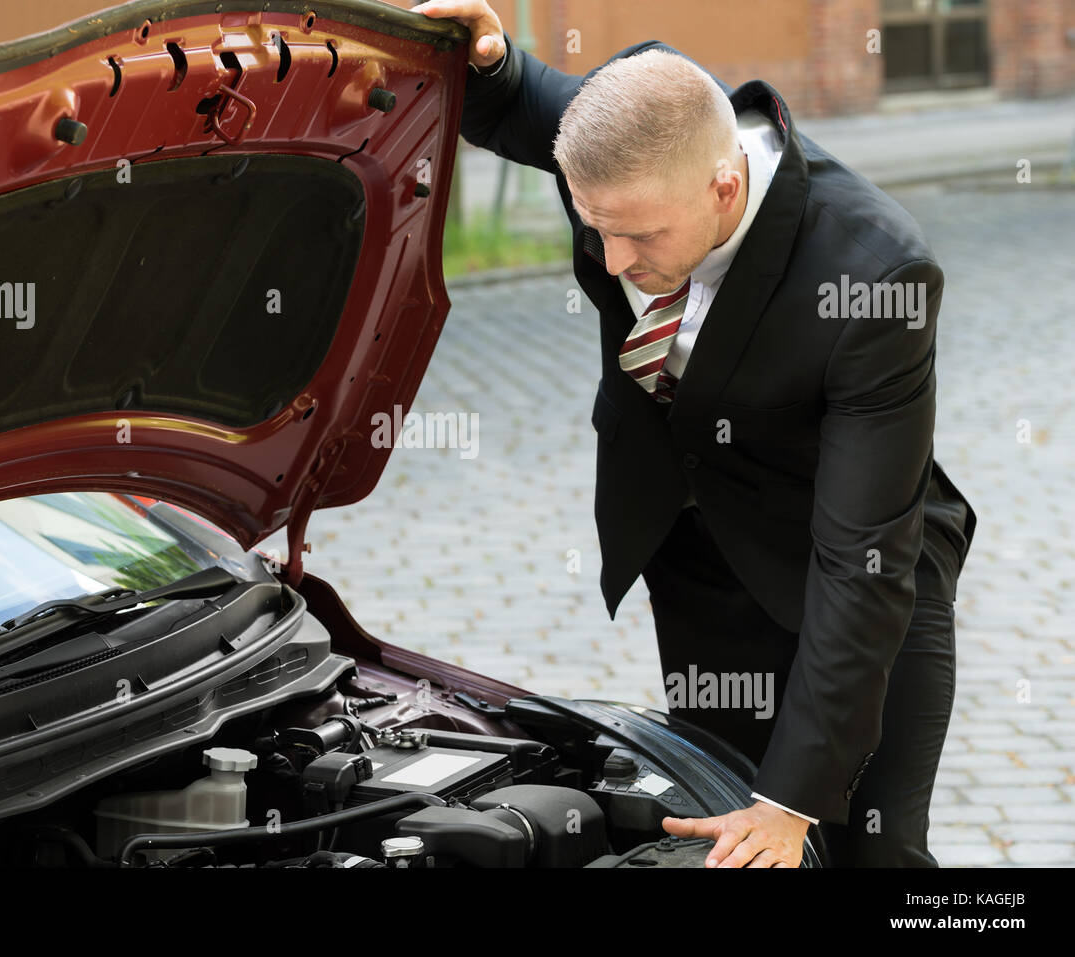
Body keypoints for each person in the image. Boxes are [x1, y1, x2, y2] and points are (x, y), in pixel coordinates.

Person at [411, 0, 976, 868]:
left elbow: (860, 558)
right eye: (595, 226)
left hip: (862, 583)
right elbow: (529, 103)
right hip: (704, 573)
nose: (612, 260)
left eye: (639, 235)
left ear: (724, 187)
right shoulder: (636, 127)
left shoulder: (874, 274)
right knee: (717, 830)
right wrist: (490, 64)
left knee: (875, 852)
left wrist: (793, 800)